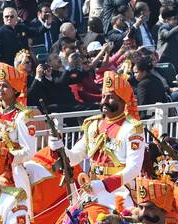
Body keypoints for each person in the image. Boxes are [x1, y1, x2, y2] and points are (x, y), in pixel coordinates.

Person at [56, 71, 147, 212]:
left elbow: (133, 169)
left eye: (110, 97)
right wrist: (57, 144)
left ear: (123, 101)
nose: (104, 101)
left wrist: (103, 185)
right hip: (90, 189)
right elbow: (73, 158)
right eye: (103, 96)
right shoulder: (92, 125)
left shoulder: (133, 128)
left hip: (119, 192)